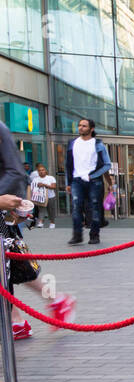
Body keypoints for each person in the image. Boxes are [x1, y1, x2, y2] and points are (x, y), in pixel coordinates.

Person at [0, 124, 75, 335]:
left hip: (3, 209)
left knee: (14, 265)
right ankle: (17, 321)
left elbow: (15, 172)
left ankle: (56, 300)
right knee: (12, 267)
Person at [66, 117, 111, 245]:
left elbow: (107, 164)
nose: (81, 127)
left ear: (91, 129)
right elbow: (68, 164)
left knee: (95, 208)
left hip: (94, 181)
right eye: (79, 125)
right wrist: (68, 182)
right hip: (76, 180)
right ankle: (77, 235)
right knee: (76, 207)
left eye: (84, 126)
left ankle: (94, 235)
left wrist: (93, 175)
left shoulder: (98, 144)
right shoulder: (72, 143)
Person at [28, 164, 56, 228]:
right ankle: (41, 223)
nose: (41, 171)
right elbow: (33, 188)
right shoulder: (35, 179)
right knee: (41, 210)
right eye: (39, 170)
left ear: (45, 171)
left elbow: (54, 187)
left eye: (43, 170)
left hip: (50, 196)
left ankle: (52, 223)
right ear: (38, 172)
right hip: (40, 197)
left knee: (51, 210)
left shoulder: (51, 178)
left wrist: (44, 185)